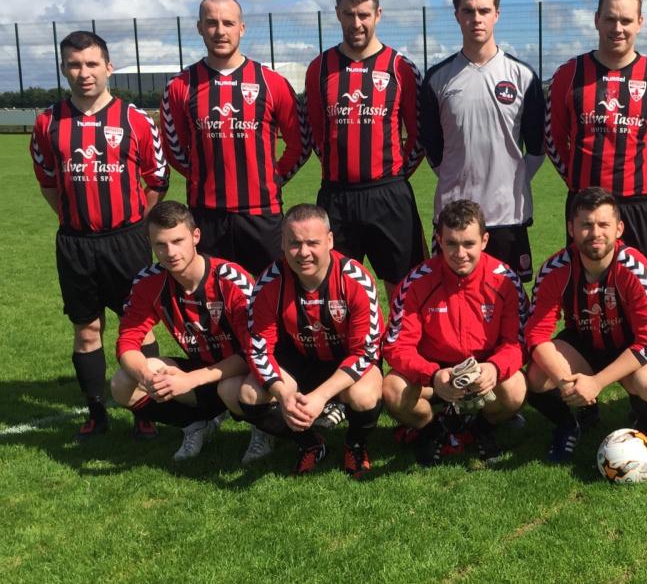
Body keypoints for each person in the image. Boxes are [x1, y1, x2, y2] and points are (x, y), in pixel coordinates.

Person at [30, 30, 169, 441]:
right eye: (74, 64)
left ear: (108, 67)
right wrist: (75, 221)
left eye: (92, 64)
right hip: (75, 245)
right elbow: (48, 182)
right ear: (64, 69)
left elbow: (156, 179)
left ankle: (145, 409)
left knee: (140, 328)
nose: (84, 73)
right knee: (87, 329)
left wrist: (131, 226)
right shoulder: (48, 122)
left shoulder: (135, 119)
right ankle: (97, 412)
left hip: (127, 241)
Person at [112, 201, 273, 463]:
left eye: (177, 241)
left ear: (195, 236)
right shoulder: (147, 281)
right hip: (201, 373)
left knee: (232, 391)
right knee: (123, 382)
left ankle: (263, 431)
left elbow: (253, 352)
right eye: (160, 245)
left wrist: (191, 380)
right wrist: (146, 376)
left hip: (244, 373)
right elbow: (127, 342)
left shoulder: (231, 280)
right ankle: (194, 424)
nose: (170, 252)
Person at [160, 0, 309, 274]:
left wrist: (272, 179)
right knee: (213, 301)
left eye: (228, 23)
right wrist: (202, 178)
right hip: (207, 216)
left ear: (241, 27)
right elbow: (173, 149)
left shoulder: (272, 82)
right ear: (199, 28)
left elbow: (299, 145)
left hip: (261, 214)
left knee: (269, 297)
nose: (220, 31)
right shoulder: (180, 86)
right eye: (211, 23)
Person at [524, 187, 647, 462]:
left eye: (604, 224)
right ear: (571, 228)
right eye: (586, 225)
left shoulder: (636, 269)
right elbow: (535, 333)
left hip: (628, 346)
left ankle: (643, 427)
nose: (595, 233)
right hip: (584, 343)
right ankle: (569, 425)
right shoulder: (555, 268)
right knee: (537, 376)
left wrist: (597, 383)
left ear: (619, 228)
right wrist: (565, 383)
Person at [305, 0, 425, 304]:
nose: (356, 23)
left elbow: (417, 136)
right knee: (337, 291)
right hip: (337, 198)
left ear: (378, 14)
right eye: (348, 14)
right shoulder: (319, 68)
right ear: (337, 13)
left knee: (405, 289)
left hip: (389, 195)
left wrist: (394, 175)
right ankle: (353, 357)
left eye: (364, 15)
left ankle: (404, 356)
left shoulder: (400, 67)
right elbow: (317, 132)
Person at [238, 204, 383, 478]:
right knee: (247, 395)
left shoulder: (355, 279)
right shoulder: (269, 282)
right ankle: (310, 443)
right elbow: (259, 350)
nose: (303, 253)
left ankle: (355, 444)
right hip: (299, 363)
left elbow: (365, 352)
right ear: (282, 242)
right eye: (294, 243)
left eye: (312, 243)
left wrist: (320, 396)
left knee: (363, 396)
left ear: (329, 240)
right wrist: (283, 395)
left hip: (344, 363)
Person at [381, 199, 528, 465]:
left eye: (468, 244)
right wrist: (432, 375)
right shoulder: (416, 282)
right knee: (393, 389)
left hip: (482, 373)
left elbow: (517, 343)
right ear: (439, 240)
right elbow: (396, 346)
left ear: (484, 240)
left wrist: (494, 368)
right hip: (433, 375)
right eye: (451, 244)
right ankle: (431, 429)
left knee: (516, 387)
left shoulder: (505, 280)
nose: (460, 253)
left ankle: (480, 428)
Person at [545, 0, 647, 273]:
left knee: (640, 290)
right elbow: (553, 138)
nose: (617, 28)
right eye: (610, 19)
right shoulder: (569, 74)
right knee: (585, 289)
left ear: (640, 23)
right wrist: (573, 176)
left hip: (637, 205)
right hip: (584, 205)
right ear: (596, 20)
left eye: (626, 20)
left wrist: (646, 174)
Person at [419, 0, 545, 281]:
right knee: (451, 297)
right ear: (457, 15)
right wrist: (459, 178)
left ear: (497, 14)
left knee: (510, 302)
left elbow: (537, 147)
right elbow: (433, 150)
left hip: (507, 215)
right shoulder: (438, 79)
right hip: (453, 216)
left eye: (484, 10)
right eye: (468, 11)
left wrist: (507, 181)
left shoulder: (523, 75)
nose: (477, 18)